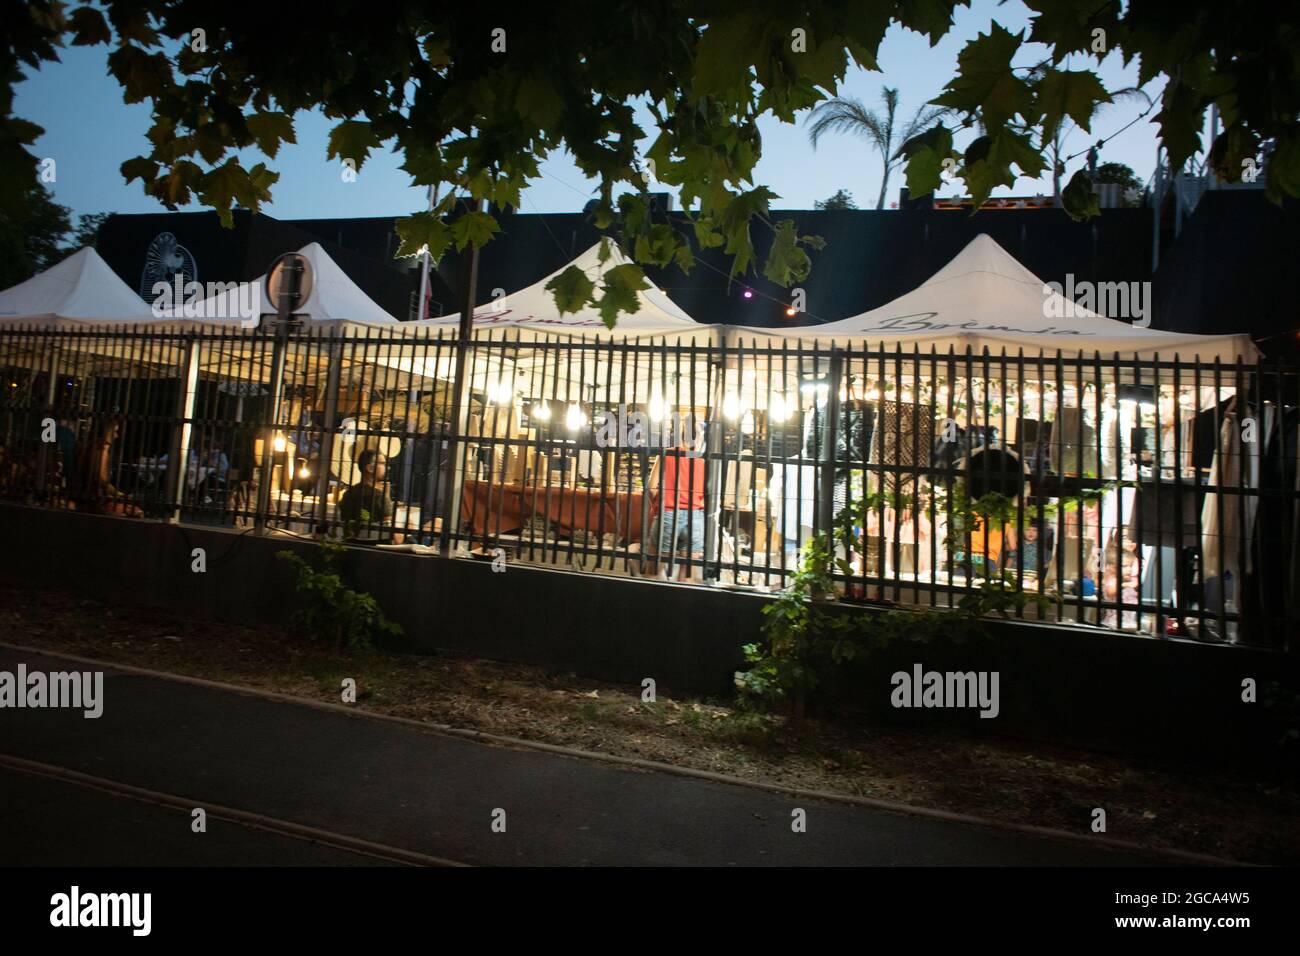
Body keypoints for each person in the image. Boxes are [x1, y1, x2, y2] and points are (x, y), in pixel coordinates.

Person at [647, 442, 706, 581]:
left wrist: (657, 503)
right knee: (687, 575)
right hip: (695, 517)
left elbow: (651, 487)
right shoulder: (701, 459)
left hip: (668, 513)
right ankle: (680, 601)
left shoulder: (666, 454)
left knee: (654, 571)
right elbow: (705, 493)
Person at [71, 416, 142, 517]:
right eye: (114, 431)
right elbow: (100, 479)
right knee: (135, 511)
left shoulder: (86, 446)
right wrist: (119, 494)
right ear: (106, 431)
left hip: (82, 497)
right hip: (94, 501)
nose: (116, 436)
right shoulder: (101, 449)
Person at [338, 448, 403, 544]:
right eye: (383, 464)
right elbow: (396, 539)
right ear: (370, 468)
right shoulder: (380, 497)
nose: (388, 467)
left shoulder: (348, 494)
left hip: (352, 545)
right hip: (379, 550)